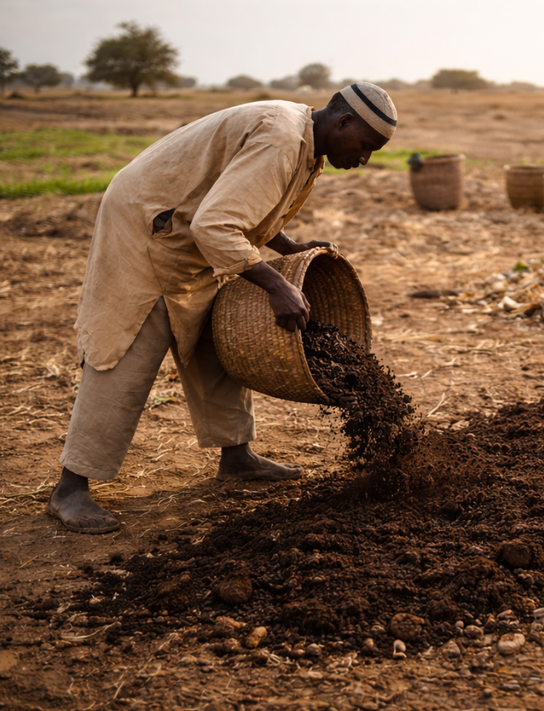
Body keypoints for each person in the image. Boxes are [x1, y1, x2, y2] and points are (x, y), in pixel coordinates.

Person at [46, 83, 398, 534]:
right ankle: (70, 487)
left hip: (188, 232)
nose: (365, 159)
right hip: (150, 228)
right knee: (130, 344)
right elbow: (217, 224)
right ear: (343, 121)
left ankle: (236, 455)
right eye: (366, 146)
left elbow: (243, 207)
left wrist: (289, 246)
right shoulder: (282, 138)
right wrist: (277, 285)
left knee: (220, 337)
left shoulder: (307, 145)